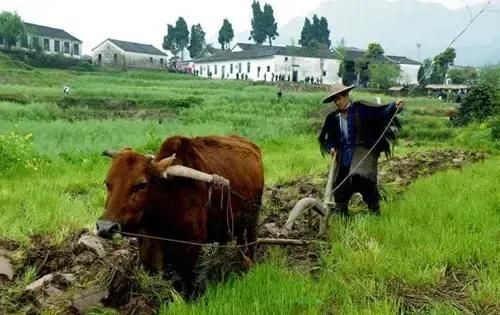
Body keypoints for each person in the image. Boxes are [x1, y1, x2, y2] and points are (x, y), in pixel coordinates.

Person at [318, 84, 404, 217]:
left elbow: (380, 113)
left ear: (346, 96)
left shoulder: (360, 109)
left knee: (364, 181)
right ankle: (342, 216)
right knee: (340, 185)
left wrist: (394, 106)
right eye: (335, 100)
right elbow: (330, 138)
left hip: (361, 153)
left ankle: (375, 213)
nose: (337, 102)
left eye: (339, 98)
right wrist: (332, 147)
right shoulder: (332, 118)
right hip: (343, 157)